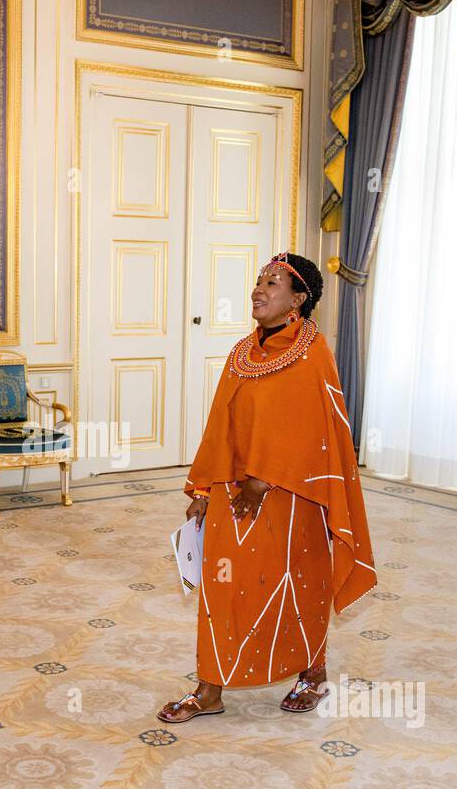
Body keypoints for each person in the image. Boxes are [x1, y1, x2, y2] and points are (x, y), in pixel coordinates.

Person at [158, 253, 376, 722]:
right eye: (258, 282)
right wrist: (201, 487)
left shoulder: (313, 352)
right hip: (232, 492)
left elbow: (317, 431)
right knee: (223, 590)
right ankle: (209, 690)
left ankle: (312, 676)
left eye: (272, 283)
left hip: (295, 495)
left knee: (298, 585)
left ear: (298, 299)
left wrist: (264, 478)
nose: (259, 290)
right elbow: (221, 424)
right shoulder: (242, 353)